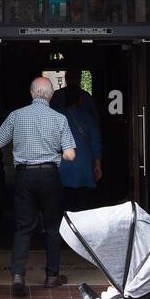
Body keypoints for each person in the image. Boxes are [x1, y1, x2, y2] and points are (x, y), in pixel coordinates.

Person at [0, 76, 77, 298]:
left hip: (24, 177)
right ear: (50, 96)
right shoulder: (59, 119)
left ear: (31, 94)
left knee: (23, 228)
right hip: (50, 176)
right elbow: (70, 155)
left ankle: (18, 275)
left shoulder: (16, 116)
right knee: (52, 228)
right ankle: (51, 277)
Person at [52, 70, 102, 214]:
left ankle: (66, 229)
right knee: (83, 205)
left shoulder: (56, 113)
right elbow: (95, 141)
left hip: (63, 164)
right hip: (84, 163)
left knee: (64, 203)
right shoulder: (88, 115)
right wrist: (97, 163)